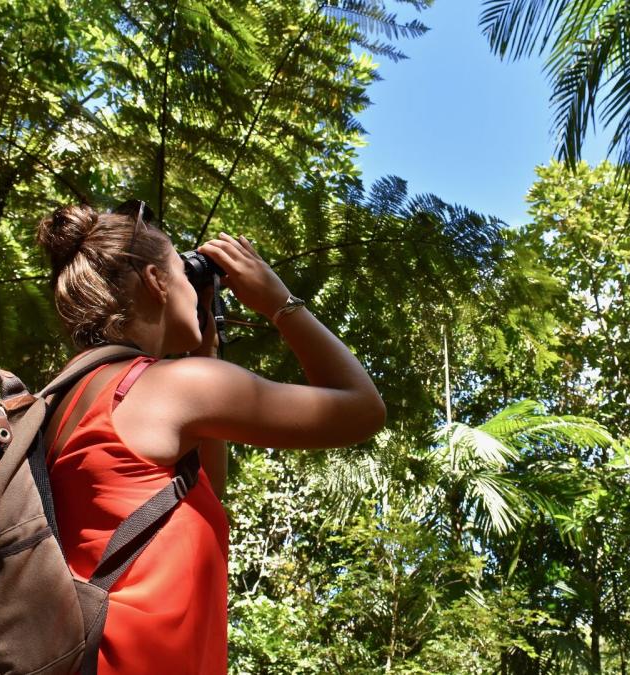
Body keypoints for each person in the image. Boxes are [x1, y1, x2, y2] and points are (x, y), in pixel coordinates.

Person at [35, 202, 386, 675]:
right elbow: (363, 408)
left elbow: (202, 494)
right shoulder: (174, 387)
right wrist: (279, 302)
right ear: (157, 282)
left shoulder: (65, 401)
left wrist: (207, 348)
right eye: (183, 271)